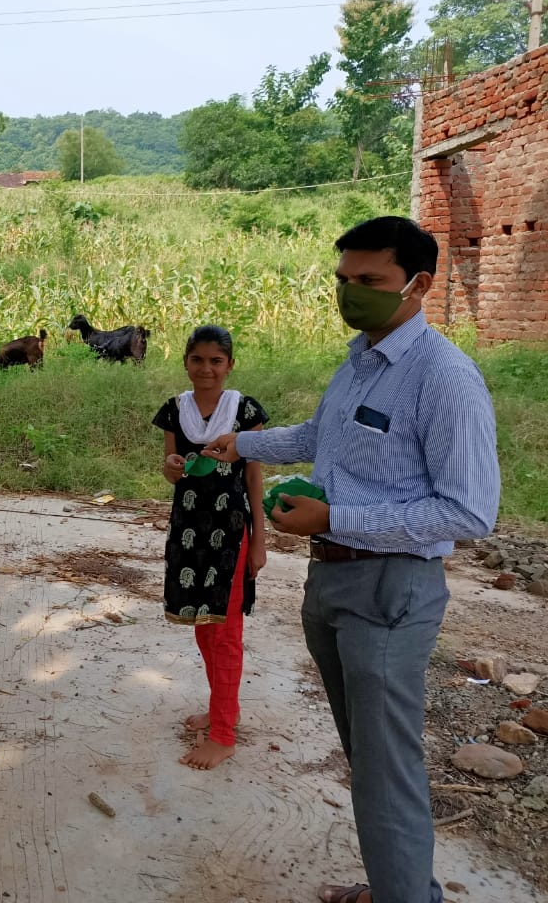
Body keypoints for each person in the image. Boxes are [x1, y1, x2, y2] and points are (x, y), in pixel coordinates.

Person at [203, 217, 500, 903]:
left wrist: (337, 518)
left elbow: (469, 512)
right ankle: (401, 889)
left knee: (385, 769)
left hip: (390, 592)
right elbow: (320, 436)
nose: (350, 292)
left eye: (369, 280)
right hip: (333, 581)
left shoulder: (444, 378)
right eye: (343, 279)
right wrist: (242, 445)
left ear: (418, 285)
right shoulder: (360, 362)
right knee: (369, 758)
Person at [153, 326, 266, 770]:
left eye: (216, 361)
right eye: (198, 360)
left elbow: (252, 477)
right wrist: (172, 465)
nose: (206, 369)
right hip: (188, 532)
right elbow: (170, 473)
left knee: (226, 633)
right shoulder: (174, 411)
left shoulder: (245, 412)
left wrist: (259, 541)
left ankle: (222, 736)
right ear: (186, 363)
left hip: (231, 533)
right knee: (204, 626)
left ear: (229, 365)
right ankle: (225, 708)